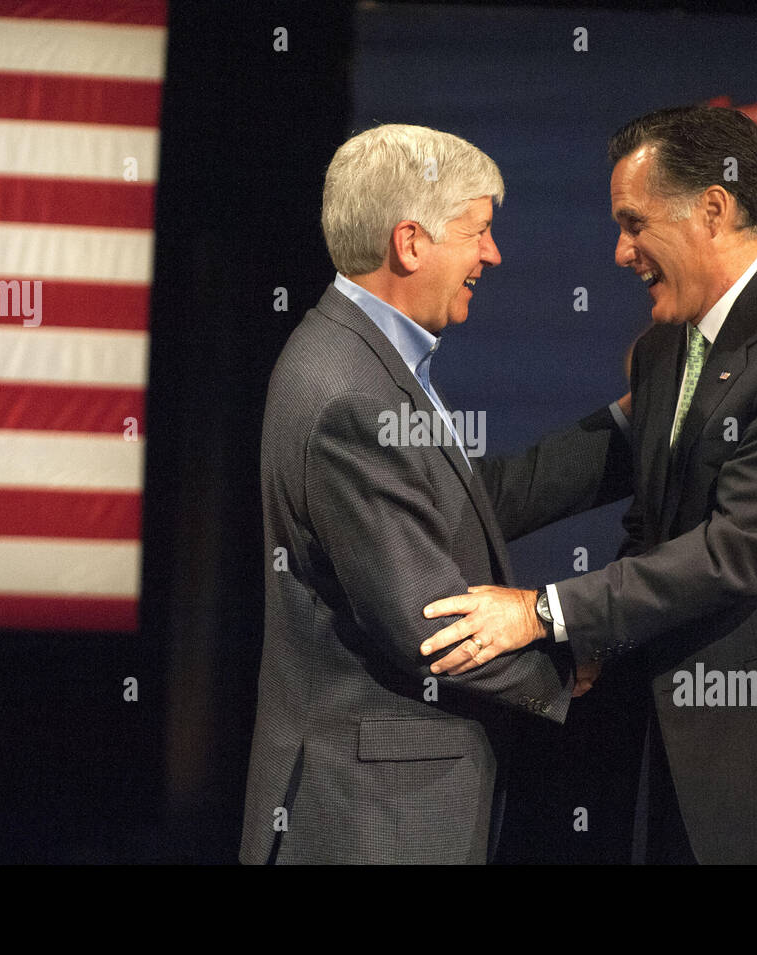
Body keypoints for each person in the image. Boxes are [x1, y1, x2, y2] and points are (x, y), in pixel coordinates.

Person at [419, 106, 757, 865]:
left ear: (713, 209)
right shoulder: (665, 348)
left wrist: (544, 612)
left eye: (633, 222)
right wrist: (404, 502)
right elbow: (580, 478)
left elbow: (738, 550)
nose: (621, 251)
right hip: (697, 765)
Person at [240, 123, 631, 864]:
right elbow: (427, 623)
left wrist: (623, 432)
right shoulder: (350, 391)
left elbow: (464, 509)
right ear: (411, 243)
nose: (493, 254)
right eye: (478, 231)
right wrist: (568, 647)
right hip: (371, 819)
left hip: (381, 803)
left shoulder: (361, 352)